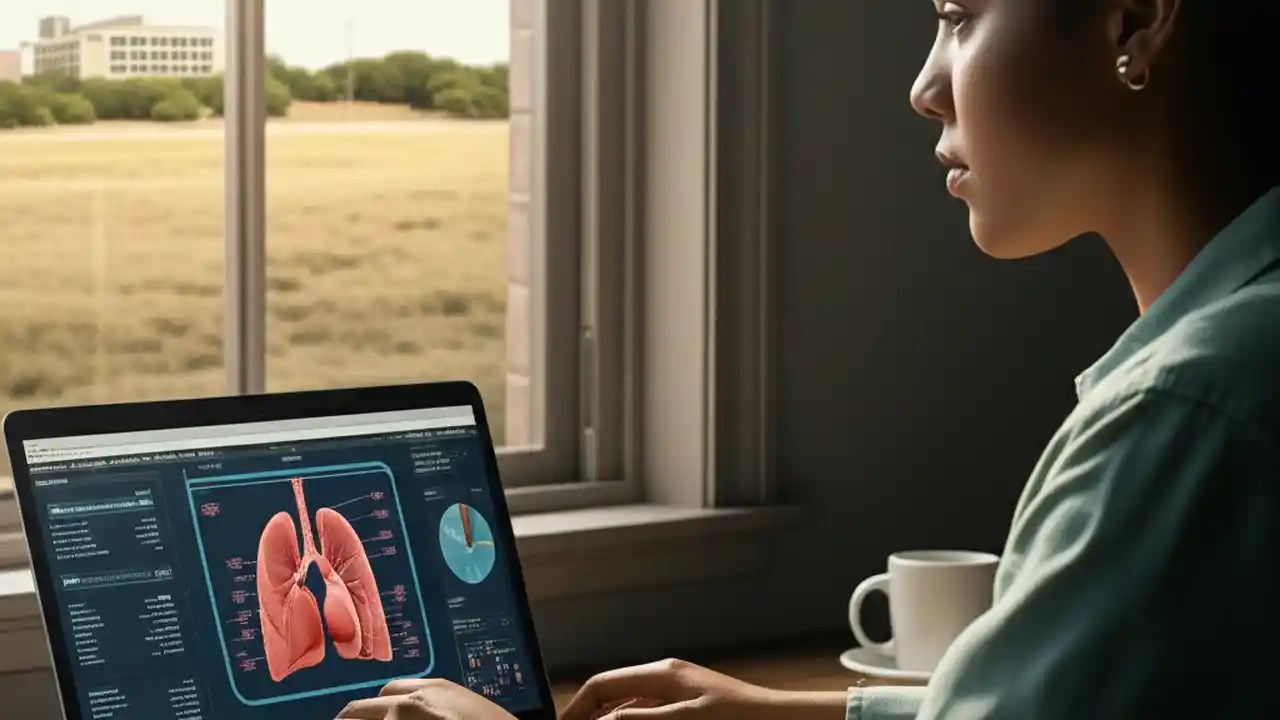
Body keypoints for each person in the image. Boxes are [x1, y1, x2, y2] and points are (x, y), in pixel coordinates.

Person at [336, 0, 1280, 717]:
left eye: (958, 16)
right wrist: (780, 712)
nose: (925, 84)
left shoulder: (1187, 413)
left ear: (1138, 19)